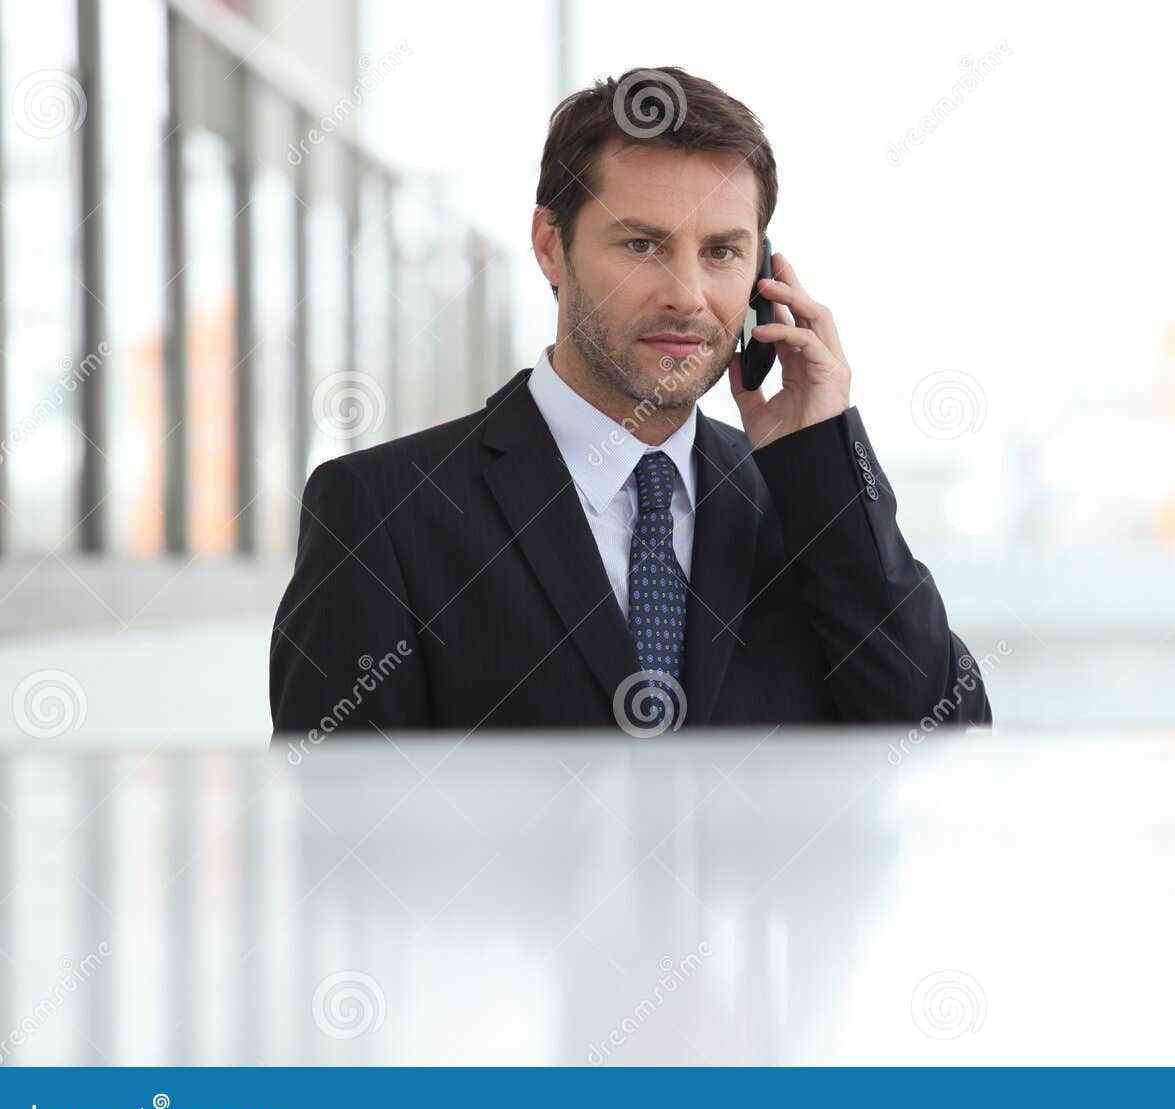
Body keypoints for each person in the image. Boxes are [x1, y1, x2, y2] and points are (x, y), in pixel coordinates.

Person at [269, 66, 991, 736]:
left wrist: (823, 459)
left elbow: (947, 744)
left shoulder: (803, 504)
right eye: (643, 245)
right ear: (551, 245)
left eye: (722, 252)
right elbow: (337, 839)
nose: (686, 294)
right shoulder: (383, 514)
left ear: (764, 273)